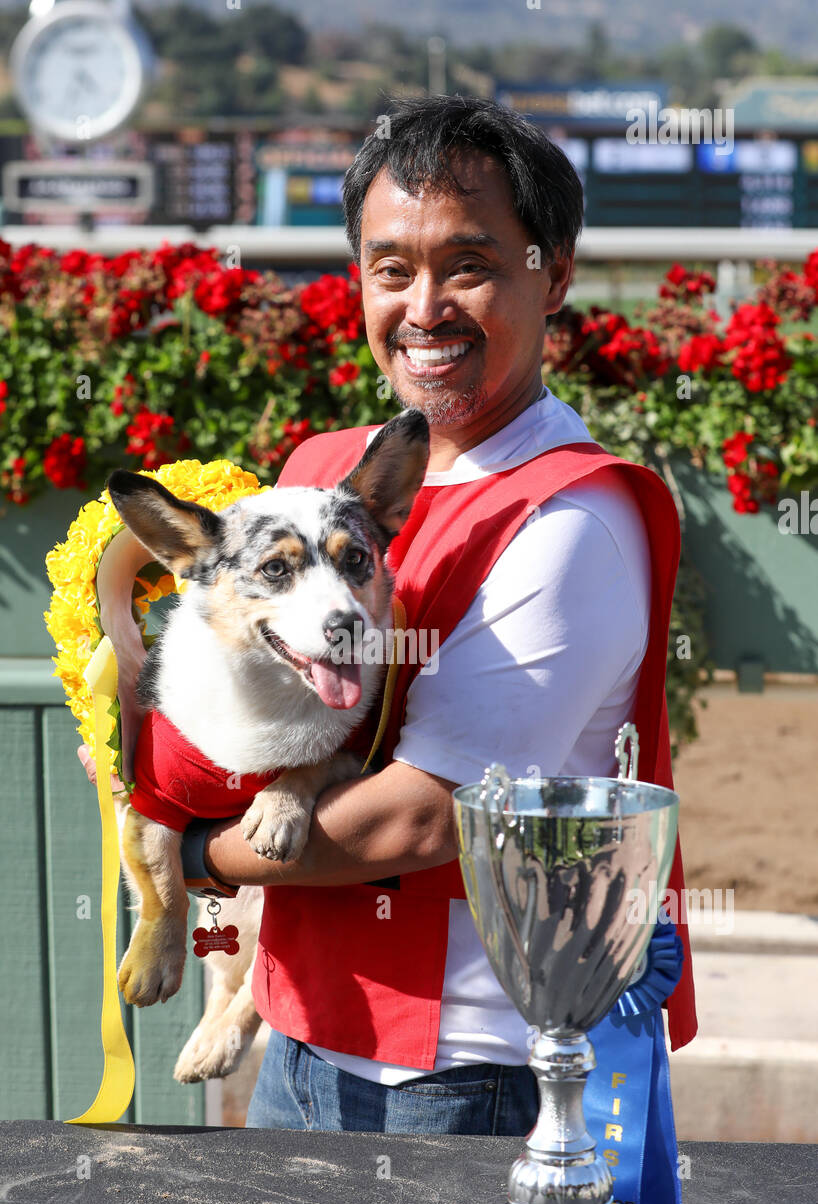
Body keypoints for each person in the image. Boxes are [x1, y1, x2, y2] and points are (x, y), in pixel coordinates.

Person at [84, 96, 696, 1145]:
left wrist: (183, 855)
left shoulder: (572, 521)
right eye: (389, 268)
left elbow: (419, 819)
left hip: (469, 1072)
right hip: (298, 1035)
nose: (424, 307)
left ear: (551, 275)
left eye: (468, 265)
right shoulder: (321, 472)